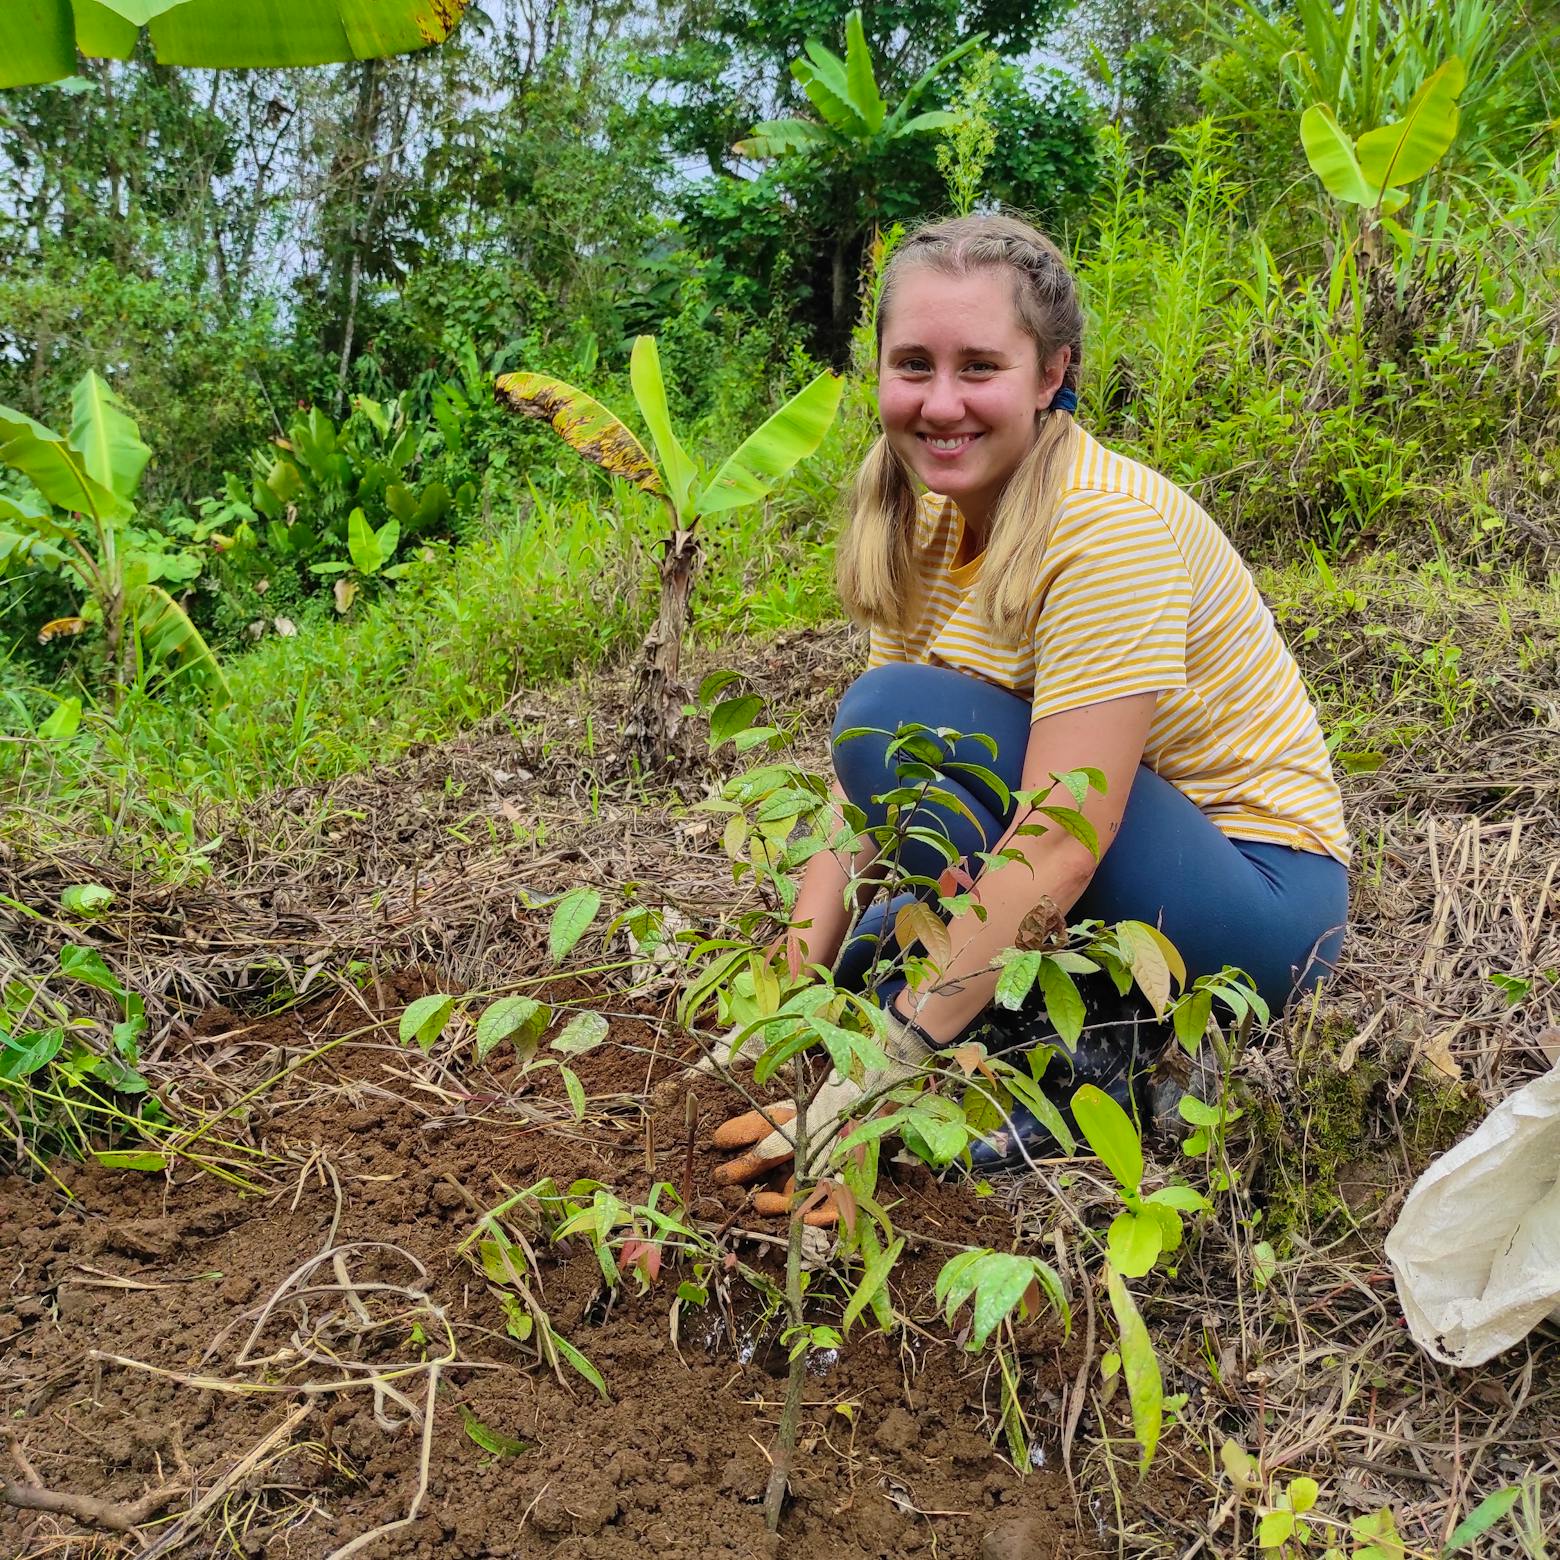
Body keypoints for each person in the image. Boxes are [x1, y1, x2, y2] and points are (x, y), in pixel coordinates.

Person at [712, 213, 1349, 1192]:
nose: (940, 402)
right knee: (875, 951)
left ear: (1051, 375)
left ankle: (1067, 1070)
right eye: (913, 365)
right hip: (1134, 867)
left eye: (980, 368)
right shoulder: (926, 513)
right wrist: (791, 976)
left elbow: (1059, 835)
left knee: (888, 720)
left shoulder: (1104, 528)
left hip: (1256, 906)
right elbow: (865, 790)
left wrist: (887, 1064)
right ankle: (1013, 1025)